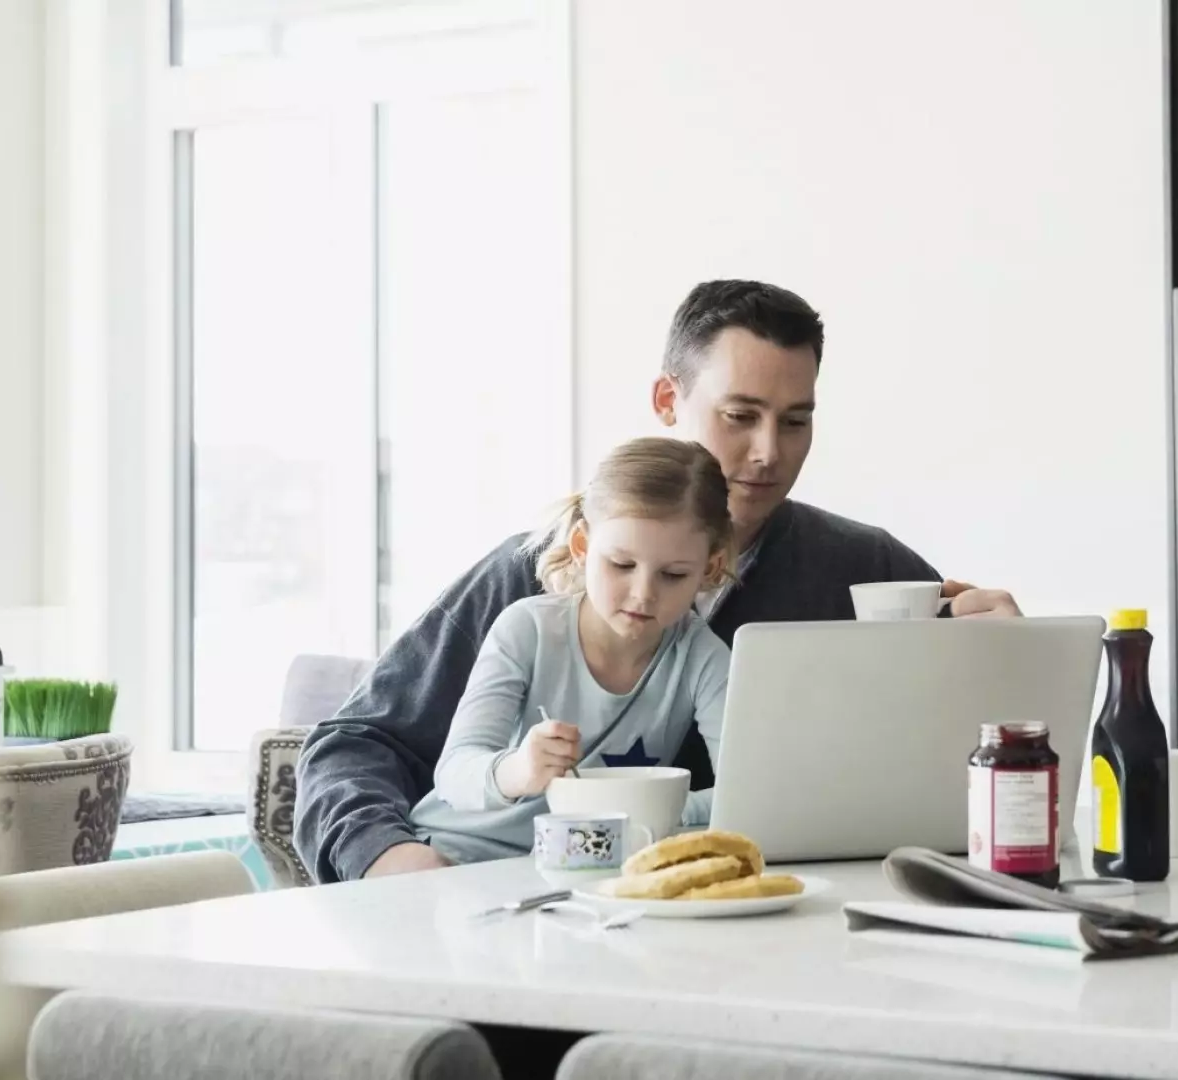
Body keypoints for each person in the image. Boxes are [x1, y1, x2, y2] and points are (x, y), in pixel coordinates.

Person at [294, 279, 1021, 882]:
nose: (769, 453)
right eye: (741, 415)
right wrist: (386, 855)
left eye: (796, 422)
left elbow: (971, 768)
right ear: (668, 401)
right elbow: (352, 746)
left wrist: (1002, 668)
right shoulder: (533, 577)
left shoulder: (867, 573)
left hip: (783, 927)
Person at [405, 437, 732, 865]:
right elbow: (455, 776)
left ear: (708, 568)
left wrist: (634, 807)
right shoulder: (527, 629)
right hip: (460, 855)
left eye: (673, 574)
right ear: (582, 548)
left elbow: (743, 793)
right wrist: (519, 770)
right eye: (621, 565)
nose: (643, 594)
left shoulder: (702, 655)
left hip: (583, 867)